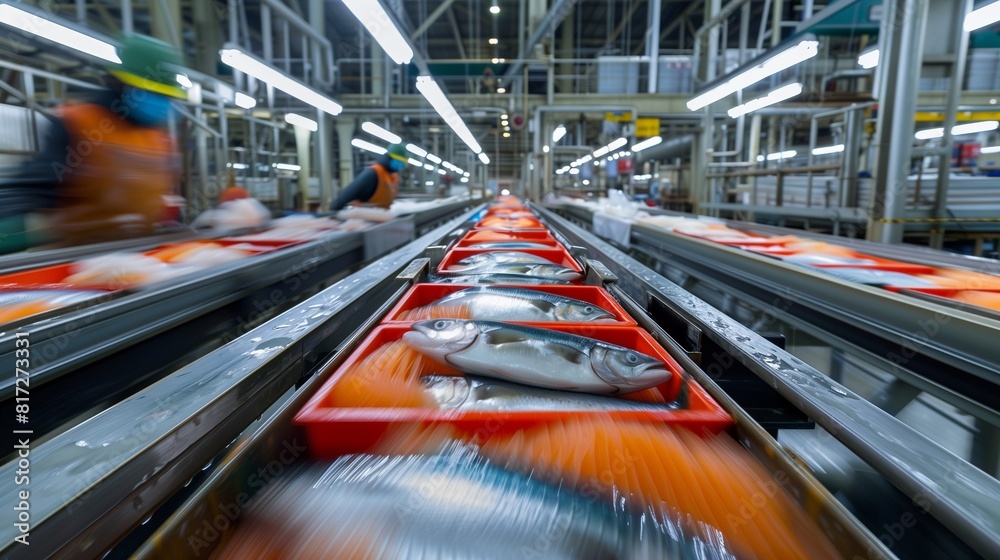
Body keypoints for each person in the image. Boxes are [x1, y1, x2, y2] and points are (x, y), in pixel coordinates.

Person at [0, 34, 184, 254]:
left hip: (144, 262)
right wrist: (15, 233)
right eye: (150, 92)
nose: (160, 103)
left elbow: (160, 203)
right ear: (119, 83)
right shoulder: (79, 125)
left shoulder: (161, 141)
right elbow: (26, 191)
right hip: (78, 266)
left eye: (165, 96)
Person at [330, 143, 408, 211]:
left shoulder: (392, 176)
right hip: (364, 222)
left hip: (382, 221)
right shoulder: (372, 174)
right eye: (401, 161)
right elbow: (344, 196)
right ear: (390, 158)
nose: (403, 165)